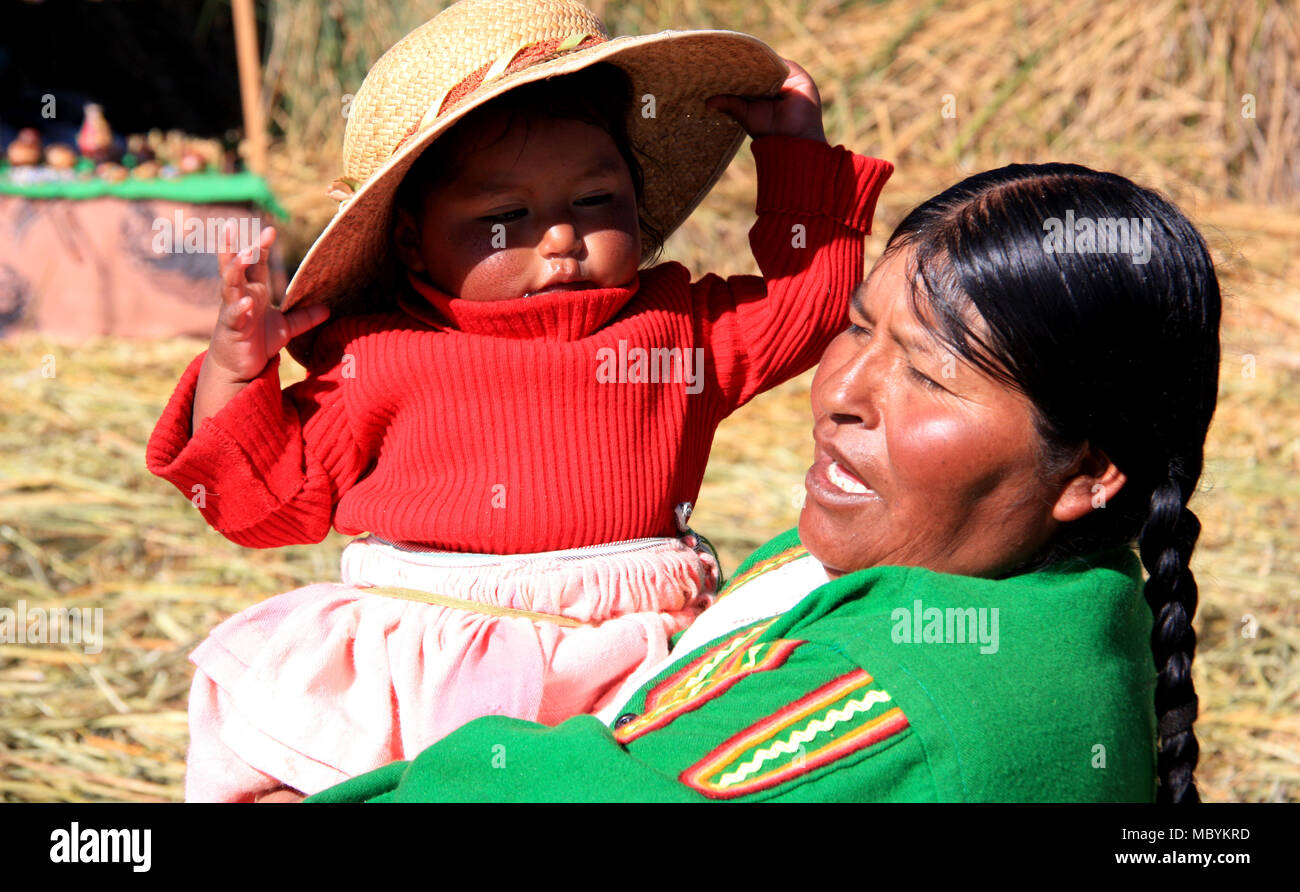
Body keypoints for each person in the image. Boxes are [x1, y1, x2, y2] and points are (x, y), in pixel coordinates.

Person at [143, 0, 893, 801]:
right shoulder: (378, 356)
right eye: (507, 216)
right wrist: (236, 373)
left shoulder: (675, 331)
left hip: (628, 658)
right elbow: (262, 505)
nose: (563, 236)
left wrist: (799, 153)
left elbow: (808, 304)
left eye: (596, 201)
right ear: (412, 242)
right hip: (431, 665)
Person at [307, 161, 1220, 803]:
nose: (839, 394)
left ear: (1091, 469)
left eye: (930, 376)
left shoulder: (895, 702)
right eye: (860, 330)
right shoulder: (994, 574)